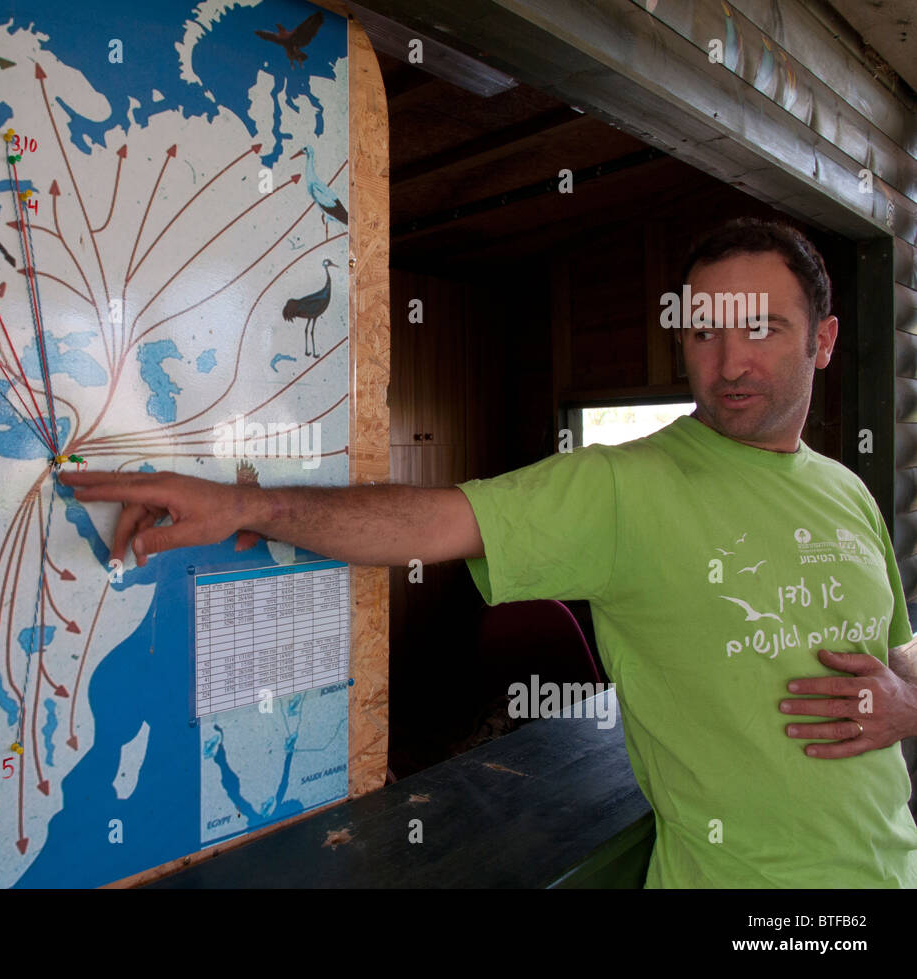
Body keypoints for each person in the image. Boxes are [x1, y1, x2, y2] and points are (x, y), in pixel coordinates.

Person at [61, 218, 917, 887]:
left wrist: (904, 705)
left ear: (826, 340)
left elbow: (905, 661)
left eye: (761, 329)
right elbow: (435, 521)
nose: (728, 361)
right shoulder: (626, 486)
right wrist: (250, 503)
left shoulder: (849, 493)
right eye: (704, 333)